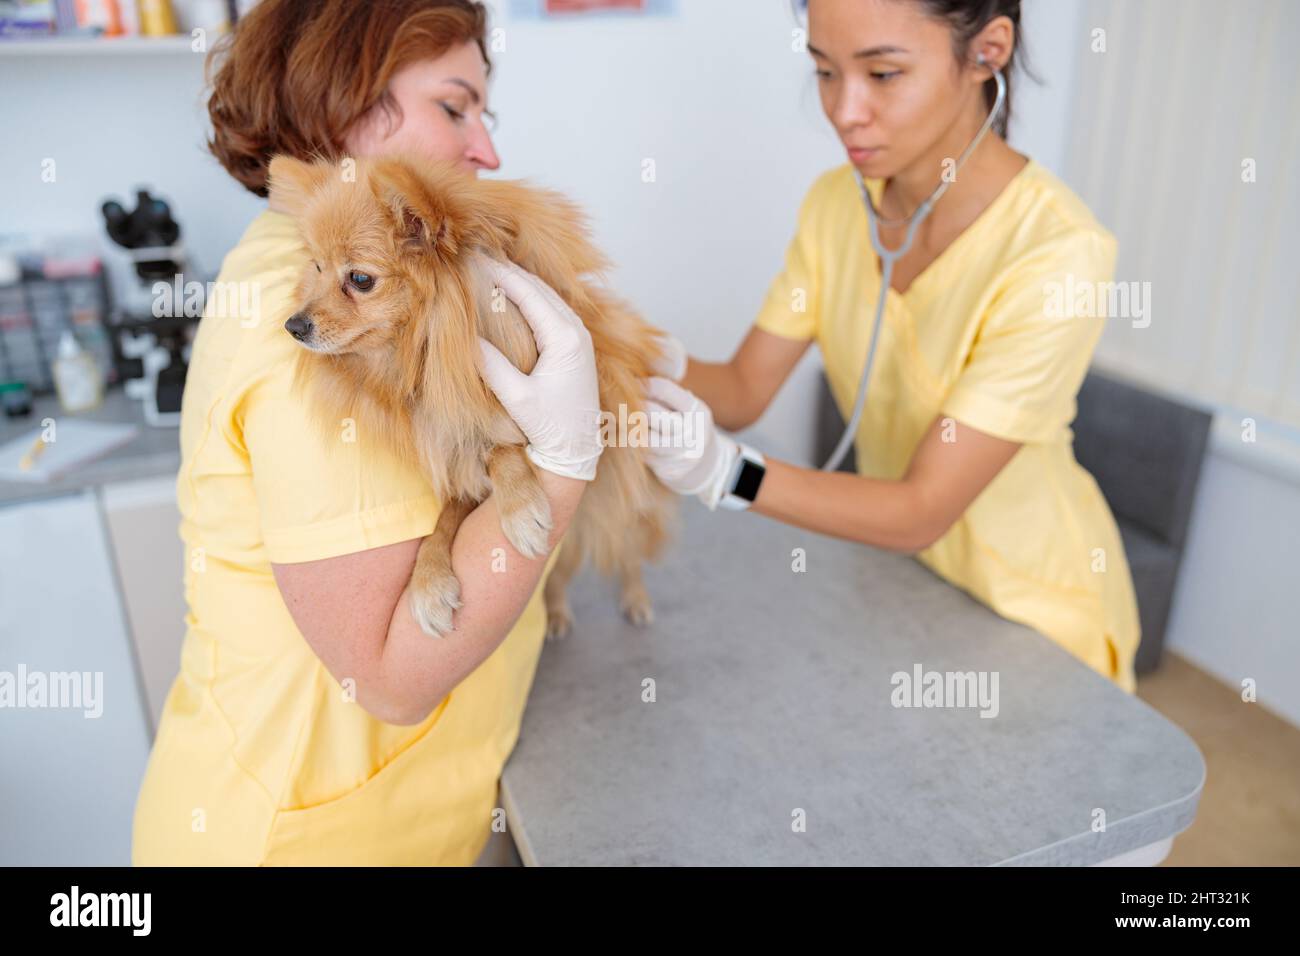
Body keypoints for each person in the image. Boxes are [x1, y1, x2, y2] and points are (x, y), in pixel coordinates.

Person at [131, 0, 604, 865]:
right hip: (308, 840)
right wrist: (566, 467)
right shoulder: (324, 326)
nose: (486, 149)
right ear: (344, 97)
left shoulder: (311, 258)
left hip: (402, 813)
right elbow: (386, 676)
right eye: (455, 107)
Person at [641, 0, 1141, 693]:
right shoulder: (834, 206)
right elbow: (741, 389)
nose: (844, 111)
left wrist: (731, 477)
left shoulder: (1060, 254)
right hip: (899, 582)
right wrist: (639, 352)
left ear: (987, 52)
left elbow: (922, 510)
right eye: (823, 71)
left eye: (882, 73)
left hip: (1032, 613)